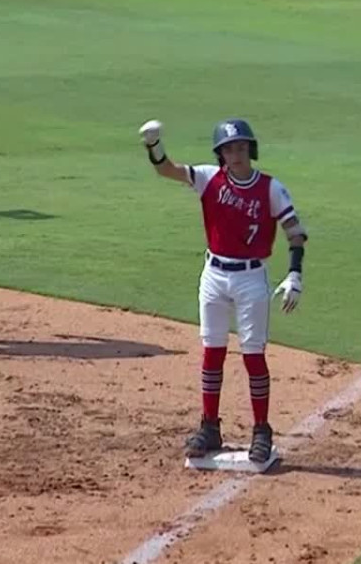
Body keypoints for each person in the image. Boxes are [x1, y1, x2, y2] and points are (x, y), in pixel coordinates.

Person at [137, 118, 309, 464]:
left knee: (252, 354)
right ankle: (209, 426)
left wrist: (294, 274)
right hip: (213, 274)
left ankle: (261, 430)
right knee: (211, 350)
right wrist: (154, 146)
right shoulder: (207, 178)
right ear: (221, 154)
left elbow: (295, 232)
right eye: (230, 149)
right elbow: (167, 170)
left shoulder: (271, 188)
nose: (237, 154)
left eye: (242, 148)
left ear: (251, 150)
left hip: (251, 278)